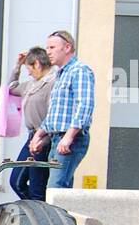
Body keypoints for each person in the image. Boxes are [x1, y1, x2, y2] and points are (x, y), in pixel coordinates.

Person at [29, 30, 95, 190]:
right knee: (56, 189)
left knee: (56, 188)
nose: (48, 52)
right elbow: (54, 114)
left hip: (70, 139)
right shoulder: (60, 74)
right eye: (47, 48)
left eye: (52, 47)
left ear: (67, 47)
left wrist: (69, 137)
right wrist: (39, 135)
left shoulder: (79, 70)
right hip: (56, 138)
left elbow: (85, 105)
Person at [7, 47, 56, 201]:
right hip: (31, 137)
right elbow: (10, 88)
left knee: (37, 186)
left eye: (29, 68)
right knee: (16, 181)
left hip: (44, 138)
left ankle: (40, 217)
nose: (28, 73)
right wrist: (18, 66)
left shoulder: (52, 84)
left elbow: (53, 114)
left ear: (37, 64)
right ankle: (35, 213)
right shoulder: (31, 85)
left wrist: (43, 139)